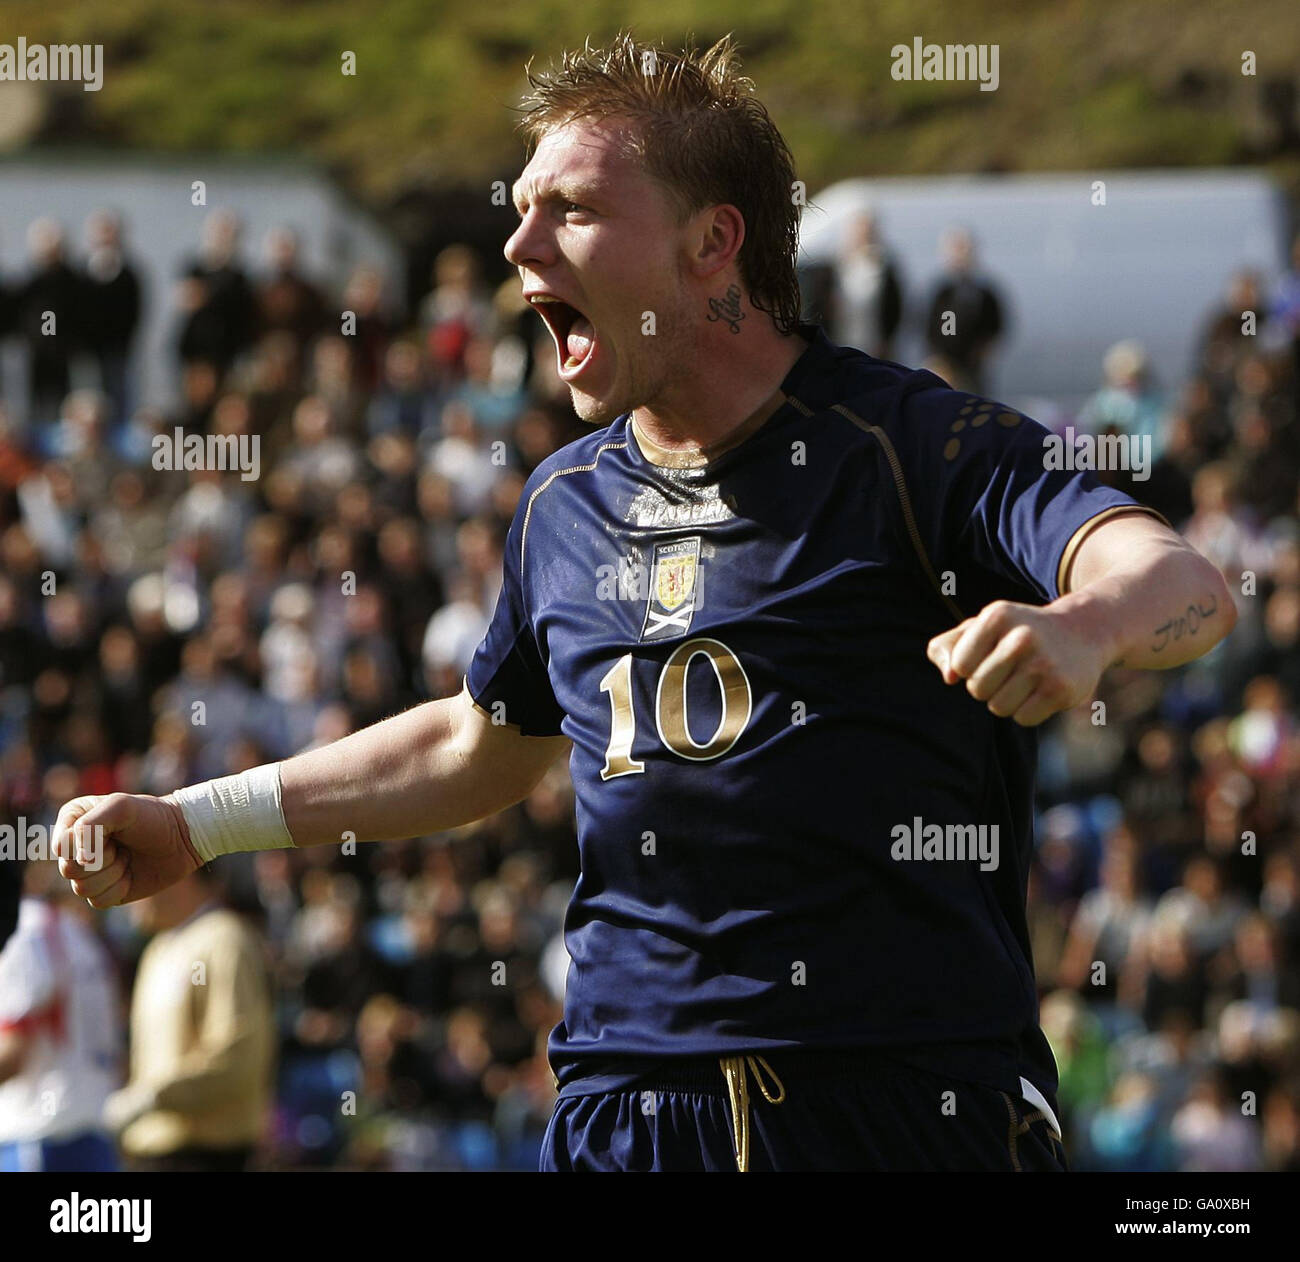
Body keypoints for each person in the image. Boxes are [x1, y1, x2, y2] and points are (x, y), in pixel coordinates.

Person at [54, 33, 1237, 1173]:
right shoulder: (561, 502)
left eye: (567, 209)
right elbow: (478, 743)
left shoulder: (916, 445)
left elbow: (1181, 583)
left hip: (893, 1100)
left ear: (711, 243)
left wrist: (1082, 625)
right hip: (626, 1110)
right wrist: (199, 820)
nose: (518, 244)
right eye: (519, 207)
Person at [103, 865, 274, 1171]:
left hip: (205, 1155)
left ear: (178, 876)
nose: (127, 894)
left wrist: (154, 1097)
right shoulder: (158, 948)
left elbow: (237, 1053)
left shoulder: (224, 939)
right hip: (153, 1150)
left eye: (135, 878)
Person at [0, 860, 122, 1172]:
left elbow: (14, 1050)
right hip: (93, 1135)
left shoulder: (25, 932)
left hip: (36, 1139)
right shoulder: (87, 938)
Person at [924, 225, 1005, 392]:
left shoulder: (982, 292)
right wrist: (943, 357)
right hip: (949, 366)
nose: (962, 255)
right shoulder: (945, 292)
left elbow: (995, 323)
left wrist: (984, 346)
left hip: (975, 366)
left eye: (965, 249)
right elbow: (944, 326)